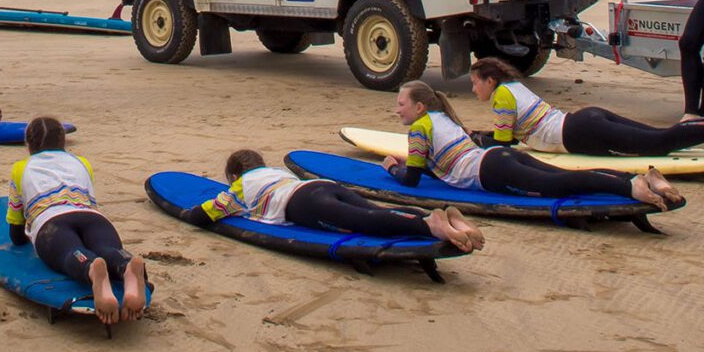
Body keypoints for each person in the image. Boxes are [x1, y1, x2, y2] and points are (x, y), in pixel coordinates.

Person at [383, 82, 678, 210]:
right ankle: (640, 180)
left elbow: (412, 181)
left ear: (419, 106)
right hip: (499, 156)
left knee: (561, 185)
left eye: (401, 104)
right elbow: (440, 171)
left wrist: (395, 168)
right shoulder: (441, 117)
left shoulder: (419, 129)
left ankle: (632, 188)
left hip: (493, 171)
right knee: (561, 177)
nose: (397, 110)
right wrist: (410, 164)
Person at [184, 148, 483, 252]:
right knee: (375, 211)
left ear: (235, 174)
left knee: (363, 223)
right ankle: (440, 216)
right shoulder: (273, 172)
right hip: (322, 187)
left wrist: (185, 213)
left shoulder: (238, 188)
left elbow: (204, 215)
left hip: (303, 203)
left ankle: (431, 225)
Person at [468, 57, 704, 156]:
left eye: (475, 83)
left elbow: (503, 144)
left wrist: (475, 140)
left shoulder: (502, 98)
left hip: (577, 133)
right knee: (660, 135)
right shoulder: (514, 87)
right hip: (583, 119)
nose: (473, 89)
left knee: (659, 144)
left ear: (490, 81)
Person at [7, 117, 148, 325]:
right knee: (105, 247)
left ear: (29, 145)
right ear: (63, 142)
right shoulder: (81, 162)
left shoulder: (21, 168)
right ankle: (125, 266)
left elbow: (16, 233)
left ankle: (91, 268)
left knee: (70, 252)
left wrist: (27, 236)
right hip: (93, 217)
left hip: (51, 222)